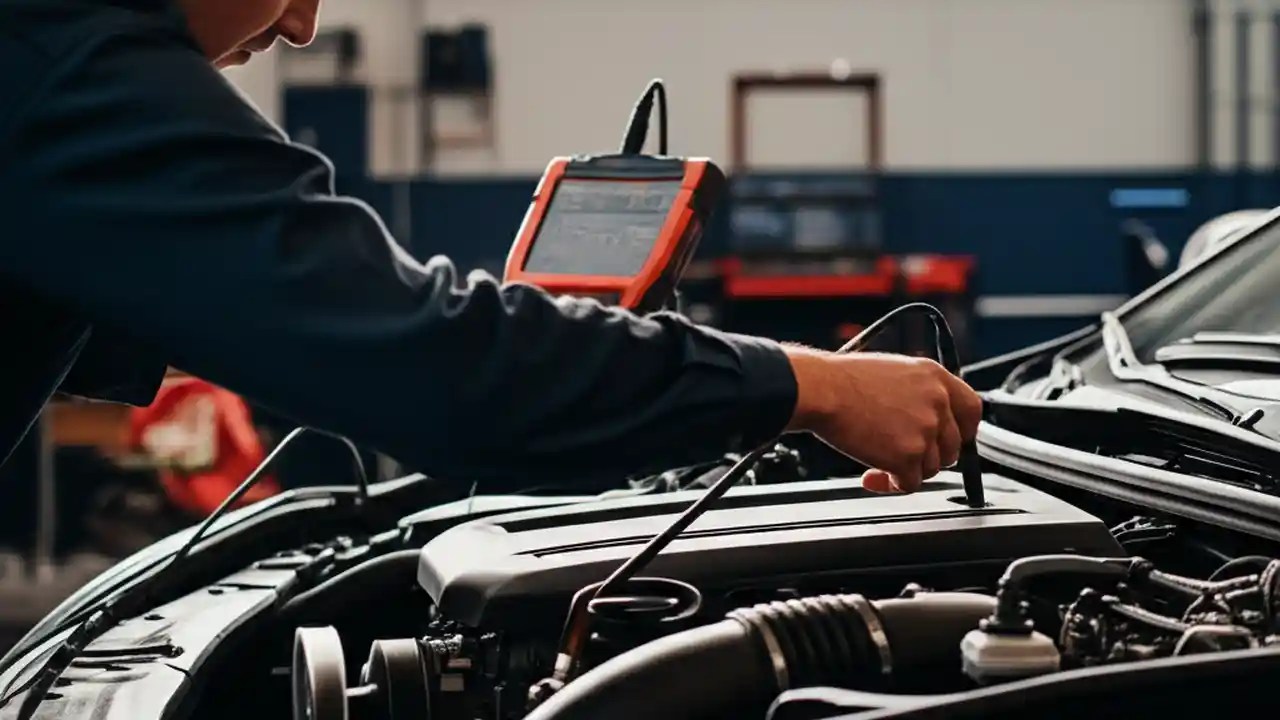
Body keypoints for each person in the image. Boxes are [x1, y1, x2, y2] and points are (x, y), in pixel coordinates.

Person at [0, 0, 983, 495]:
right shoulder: (65, 58)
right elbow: (443, 370)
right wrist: (810, 388)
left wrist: (289, 323)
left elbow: (110, 296)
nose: (301, 23)